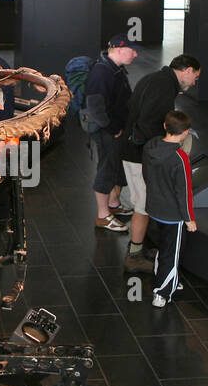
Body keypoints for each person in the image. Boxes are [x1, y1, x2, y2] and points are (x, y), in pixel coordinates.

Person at [120, 54, 201, 272]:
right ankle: (134, 256)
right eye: (195, 77)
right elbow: (148, 121)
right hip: (138, 155)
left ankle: (139, 247)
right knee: (142, 206)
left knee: (143, 203)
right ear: (188, 70)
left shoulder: (156, 79)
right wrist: (162, 149)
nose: (194, 82)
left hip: (135, 150)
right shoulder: (163, 86)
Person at [142, 109, 197, 307]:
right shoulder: (180, 158)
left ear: (165, 126)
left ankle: (164, 278)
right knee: (172, 253)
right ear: (185, 132)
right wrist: (189, 218)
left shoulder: (151, 146)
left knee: (163, 248)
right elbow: (184, 191)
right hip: (173, 214)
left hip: (154, 207)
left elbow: (146, 175)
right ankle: (163, 292)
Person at [85, 35, 137, 231]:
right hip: (108, 131)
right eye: (131, 49)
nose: (135, 54)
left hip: (117, 129)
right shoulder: (101, 72)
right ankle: (103, 215)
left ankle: (114, 205)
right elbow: (96, 107)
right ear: (117, 49)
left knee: (116, 166)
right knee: (107, 168)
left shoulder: (115, 69)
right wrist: (113, 128)